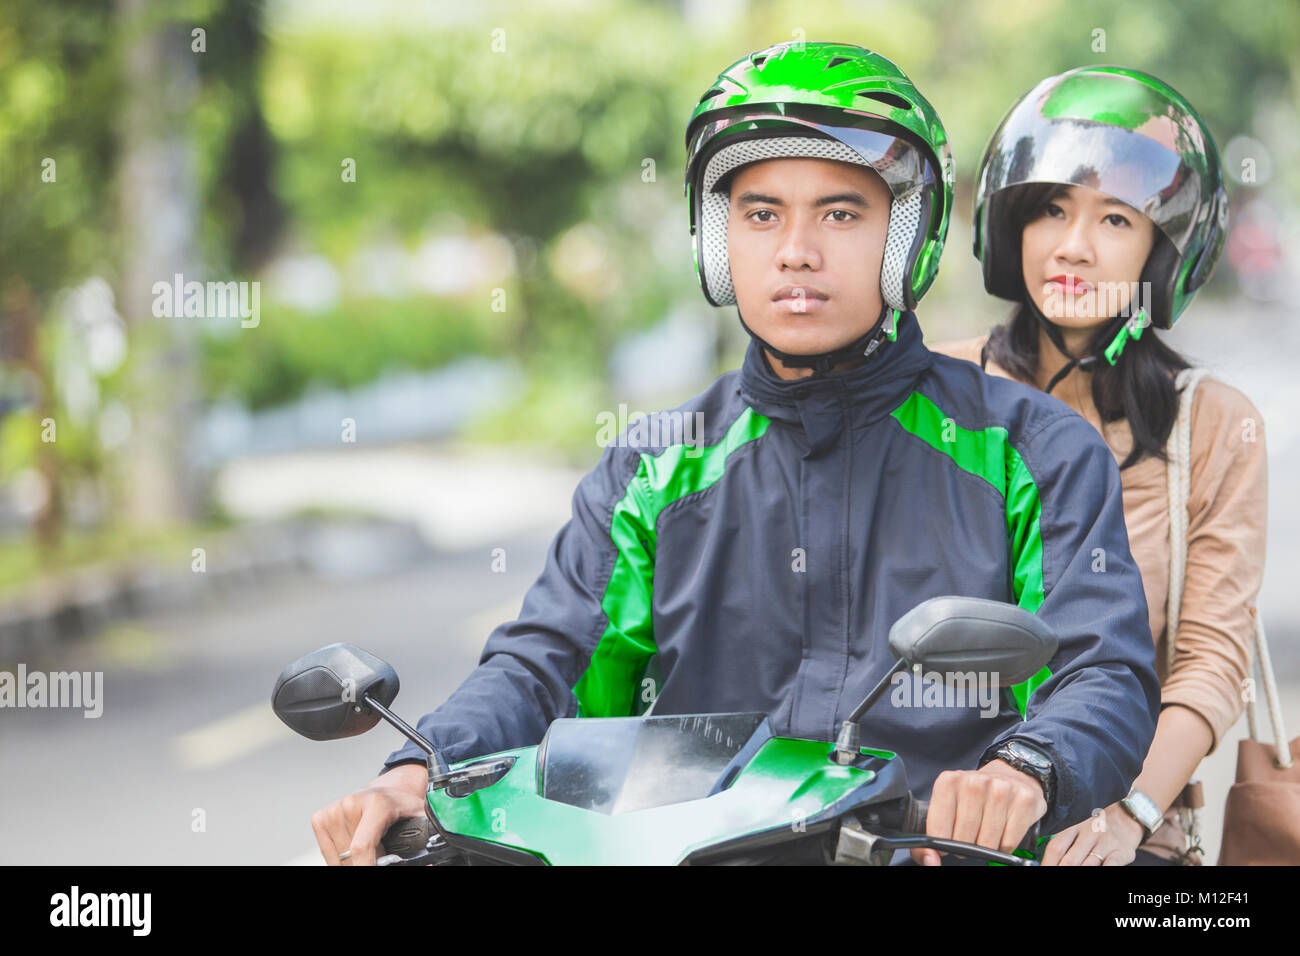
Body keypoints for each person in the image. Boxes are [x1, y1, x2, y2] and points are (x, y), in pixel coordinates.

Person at [310, 41, 1160, 867]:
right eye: (760, 214)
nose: (796, 249)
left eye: (840, 212)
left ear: (907, 236)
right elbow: (547, 664)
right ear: (720, 241)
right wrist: (423, 767)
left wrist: (1028, 768)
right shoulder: (654, 468)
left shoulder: (1028, 452)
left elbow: (1102, 670)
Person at [932, 66, 1266, 865]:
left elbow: (1212, 663)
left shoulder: (1210, 425)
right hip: (935, 810)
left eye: (1115, 219)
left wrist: (1128, 815)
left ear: (1161, 249)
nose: (1074, 247)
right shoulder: (940, 391)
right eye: (1052, 209)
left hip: (1119, 822)